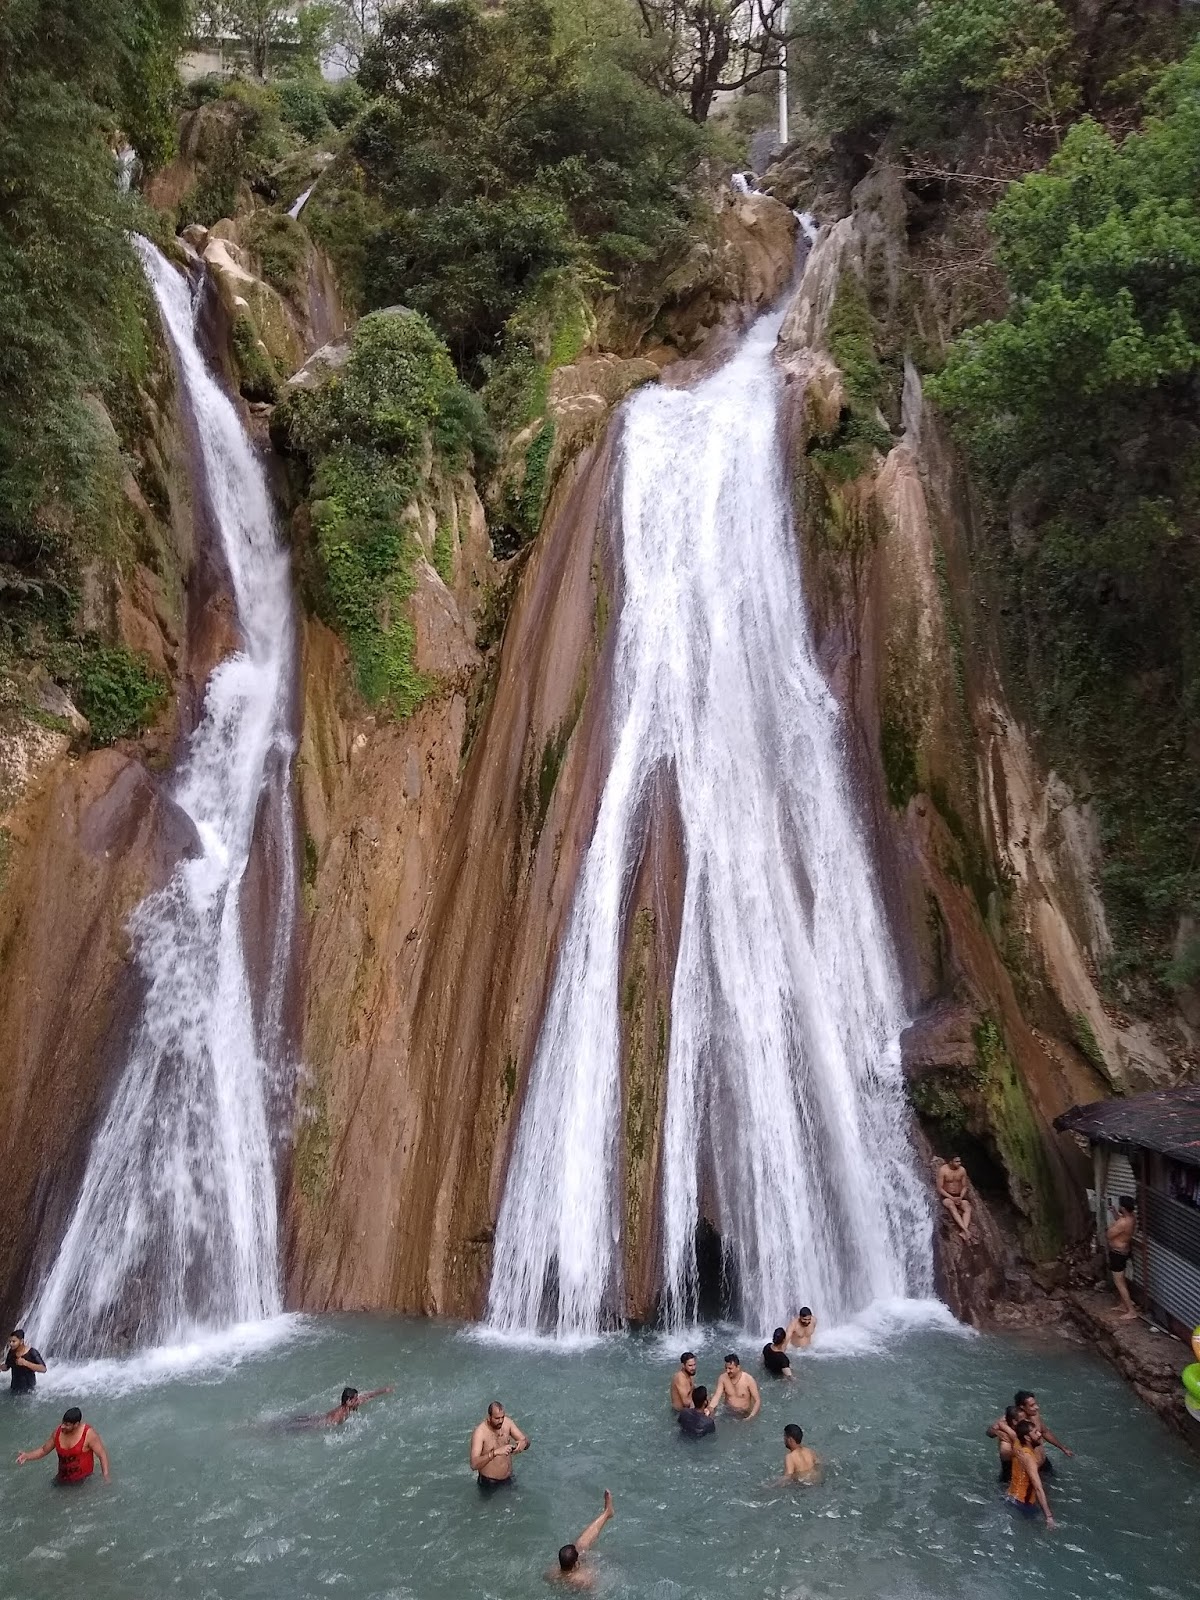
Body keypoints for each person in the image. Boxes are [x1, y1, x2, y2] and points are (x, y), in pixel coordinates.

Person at [17, 1407, 109, 1484]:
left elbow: (102, 1454)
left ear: (76, 1425)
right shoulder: (57, 1433)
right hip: (62, 1479)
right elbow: (43, 1450)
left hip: (84, 1481)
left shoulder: (89, 1434)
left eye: (67, 1425)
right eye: (63, 1423)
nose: (62, 1426)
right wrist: (27, 1456)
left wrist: (106, 1476)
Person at [549, 1489, 614, 1588]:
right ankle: (607, 1513)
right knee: (584, 1548)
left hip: (569, 1574)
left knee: (580, 1546)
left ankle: (607, 1513)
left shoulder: (551, 1575)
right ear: (576, 1564)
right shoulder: (583, 1581)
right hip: (583, 1573)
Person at [1004, 1419, 1054, 1527]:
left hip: (1010, 1496)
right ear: (1027, 1437)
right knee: (1038, 1528)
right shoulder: (1029, 1458)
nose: (1039, 1434)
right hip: (1023, 1503)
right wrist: (1049, 1516)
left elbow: (1007, 1429)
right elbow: (1038, 1488)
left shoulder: (1017, 1444)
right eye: (1035, 1432)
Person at [470, 1400, 529, 1489]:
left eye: (502, 1417)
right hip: (489, 1483)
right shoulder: (480, 1433)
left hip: (508, 1478)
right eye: (497, 1418)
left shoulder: (507, 1423)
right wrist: (495, 1453)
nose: (501, 1421)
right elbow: (473, 1464)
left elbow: (526, 1441)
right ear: (489, 1417)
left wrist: (523, 1444)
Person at [283, 1385, 393, 1430]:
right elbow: (326, 1426)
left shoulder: (350, 1405)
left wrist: (384, 1390)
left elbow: (369, 1395)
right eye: (355, 1399)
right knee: (294, 1427)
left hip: (321, 1417)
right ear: (348, 1401)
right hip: (319, 1422)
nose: (358, 1400)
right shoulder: (339, 1415)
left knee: (298, 1420)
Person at [1014, 1391, 1072, 1466]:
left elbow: (1045, 1432)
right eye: (1032, 1405)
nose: (1037, 1407)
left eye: (1035, 1404)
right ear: (1022, 1407)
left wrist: (1063, 1448)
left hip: (1044, 1462)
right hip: (1031, 1466)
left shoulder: (1035, 1415)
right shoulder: (1016, 1423)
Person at [1106, 1196, 1139, 1321]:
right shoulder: (1131, 1218)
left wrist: (1112, 1226)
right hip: (1124, 1251)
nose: (1119, 1207)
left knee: (1119, 1282)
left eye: (1120, 1205)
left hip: (1117, 1254)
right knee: (1122, 1279)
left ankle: (1131, 1311)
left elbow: (1109, 1234)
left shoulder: (1123, 1222)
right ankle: (1123, 1304)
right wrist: (1114, 1213)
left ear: (1123, 1208)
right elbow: (1122, 1225)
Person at [710, 1353, 761, 1419]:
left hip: (743, 1413)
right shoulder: (723, 1378)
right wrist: (710, 1408)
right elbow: (717, 1396)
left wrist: (751, 1416)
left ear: (738, 1367)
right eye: (726, 1368)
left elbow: (757, 1400)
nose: (727, 1371)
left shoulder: (749, 1380)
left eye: (730, 1368)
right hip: (727, 1411)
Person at [936, 1157, 973, 1242]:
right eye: (956, 1161)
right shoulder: (943, 1170)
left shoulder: (962, 1170)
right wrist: (952, 1198)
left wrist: (960, 1197)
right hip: (947, 1196)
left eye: (959, 1161)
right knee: (951, 1206)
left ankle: (964, 1232)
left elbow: (964, 1186)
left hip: (959, 1196)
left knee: (967, 1207)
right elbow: (940, 1188)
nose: (959, 1163)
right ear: (950, 1162)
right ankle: (966, 1230)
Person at [986, 1405, 1023, 1482]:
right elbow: (989, 1432)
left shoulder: (1023, 1416)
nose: (1025, 1419)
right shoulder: (1003, 1421)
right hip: (1009, 1464)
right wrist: (997, 1432)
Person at [3, 1330, 46, 1394]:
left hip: (29, 1392)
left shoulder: (32, 1352)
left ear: (21, 1341)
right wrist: (1, 1367)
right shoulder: (11, 1352)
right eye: (10, 1341)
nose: (11, 1344)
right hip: (14, 1390)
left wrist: (25, 1363)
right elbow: (7, 1367)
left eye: (14, 1341)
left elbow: (43, 1369)